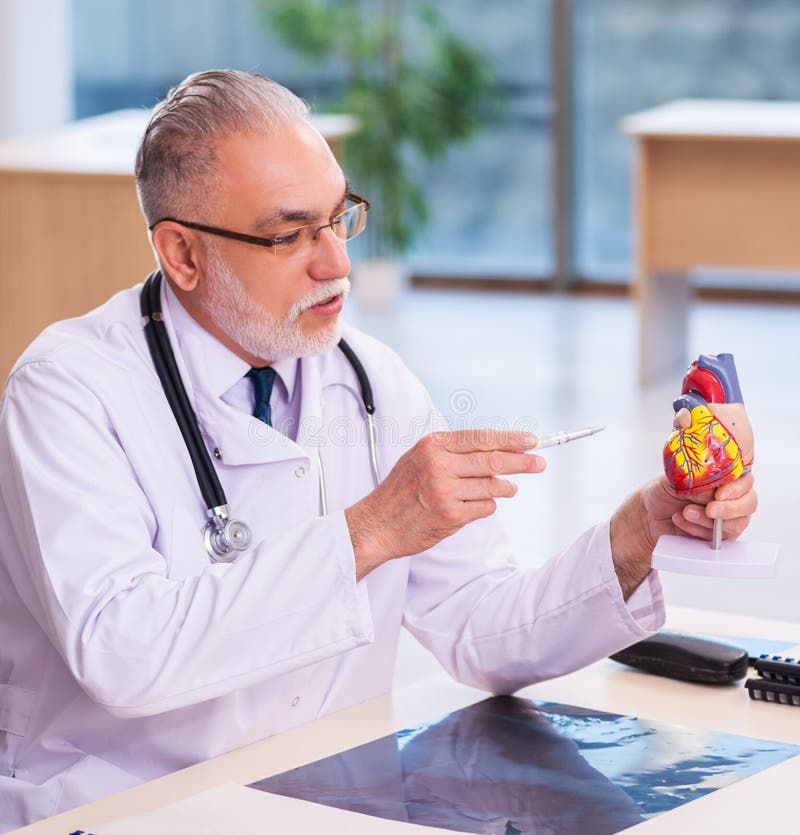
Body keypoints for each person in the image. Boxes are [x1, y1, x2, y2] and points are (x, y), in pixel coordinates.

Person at [0, 70, 756, 831]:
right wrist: (370, 530)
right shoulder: (69, 391)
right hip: (122, 807)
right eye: (289, 234)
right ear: (182, 254)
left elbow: (478, 626)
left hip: (319, 799)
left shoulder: (365, 378)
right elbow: (123, 654)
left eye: (339, 219)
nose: (336, 263)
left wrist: (640, 533)